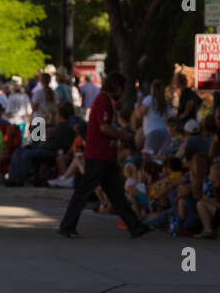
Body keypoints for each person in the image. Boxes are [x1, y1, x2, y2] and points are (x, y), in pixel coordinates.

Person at [58, 71, 151, 238]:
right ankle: (67, 225)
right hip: (98, 154)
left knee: (115, 193)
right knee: (85, 191)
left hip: (105, 154)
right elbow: (104, 127)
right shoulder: (103, 101)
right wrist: (124, 136)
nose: (122, 93)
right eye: (122, 89)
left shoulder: (106, 101)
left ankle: (135, 226)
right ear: (116, 87)